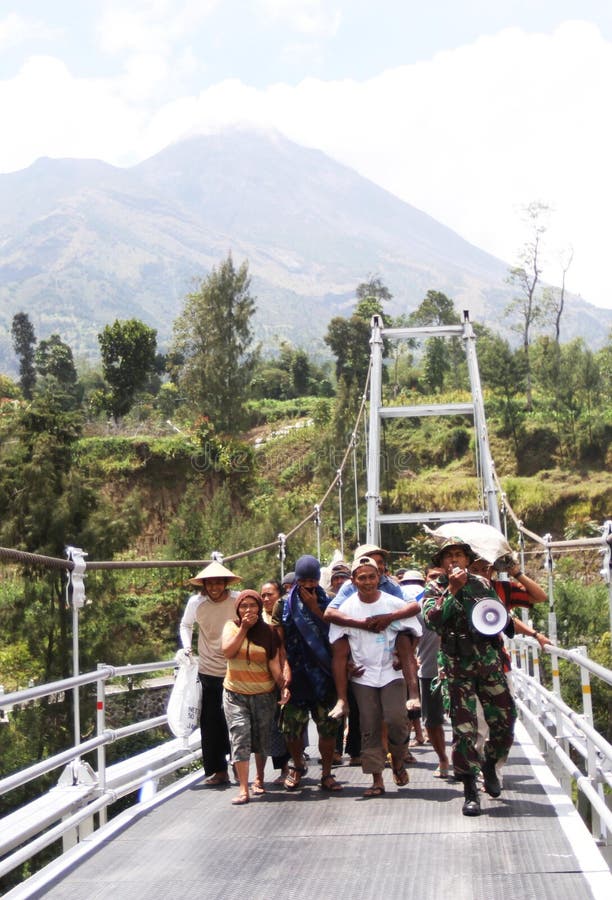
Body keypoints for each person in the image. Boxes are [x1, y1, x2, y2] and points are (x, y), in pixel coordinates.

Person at [422, 538, 517, 817]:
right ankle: (470, 790)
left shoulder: (482, 583)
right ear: (441, 563)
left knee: (505, 719)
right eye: (448, 556)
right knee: (464, 730)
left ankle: (490, 763)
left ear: (467, 560)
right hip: (456, 666)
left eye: (459, 555)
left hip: (488, 663)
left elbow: (497, 614)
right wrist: (453, 590)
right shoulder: (434, 588)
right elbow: (433, 620)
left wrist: (505, 621)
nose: (454, 560)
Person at [328, 556, 412, 796]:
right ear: (353, 581)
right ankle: (377, 779)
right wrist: (344, 688)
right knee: (369, 726)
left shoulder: (393, 603)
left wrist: (402, 654)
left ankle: (398, 760)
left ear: (379, 577)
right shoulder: (346, 609)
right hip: (363, 676)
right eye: (362, 578)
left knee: (396, 719)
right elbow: (338, 650)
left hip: (391, 673)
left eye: (371, 577)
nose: (367, 582)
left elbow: (414, 632)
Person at [274, 554, 342, 793]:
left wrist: (314, 608)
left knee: (328, 727)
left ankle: (326, 773)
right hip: (297, 675)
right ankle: (298, 764)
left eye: (313, 581)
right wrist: (284, 668)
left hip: (324, 674)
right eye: (303, 581)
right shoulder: (283, 605)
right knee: (291, 727)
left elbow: (337, 633)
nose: (309, 586)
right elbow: (279, 642)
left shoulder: (330, 602)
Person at [222, 589, 289, 805]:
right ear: (238, 609)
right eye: (244, 606)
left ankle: (259, 777)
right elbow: (227, 652)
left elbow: (274, 664)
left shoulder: (269, 633)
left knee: (262, 738)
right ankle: (243, 788)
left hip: (263, 694)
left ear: (259, 609)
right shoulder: (231, 627)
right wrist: (243, 629)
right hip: (235, 693)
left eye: (253, 606)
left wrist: (283, 686)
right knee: (239, 737)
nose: (248, 610)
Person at [179, 560, 241, 786]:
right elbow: (186, 625)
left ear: (225, 583)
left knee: (236, 721)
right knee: (210, 724)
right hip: (208, 671)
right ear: (204, 585)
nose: (214, 588)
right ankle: (218, 771)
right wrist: (187, 646)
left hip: (235, 669)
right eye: (210, 584)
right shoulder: (196, 603)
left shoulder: (237, 600)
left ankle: (239, 766)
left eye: (218, 583)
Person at [414, 566, 450, 778]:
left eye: (440, 576)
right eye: (432, 576)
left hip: (459, 670)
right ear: (425, 579)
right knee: (432, 721)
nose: (436, 580)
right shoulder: (418, 607)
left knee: (467, 720)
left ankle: (468, 762)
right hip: (429, 670)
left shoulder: (462, 599)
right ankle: (443, 758)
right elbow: (411, 636)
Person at [260, 579, 291, 782]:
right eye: (263, 595)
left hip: (286, 672)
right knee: (271, 725)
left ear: (279, 596)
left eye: (270, 594)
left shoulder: (287, 615)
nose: (266, 599)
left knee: (288, 722)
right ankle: (281, 768)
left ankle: (293, 764)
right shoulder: (257, 618)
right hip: (263, 677)